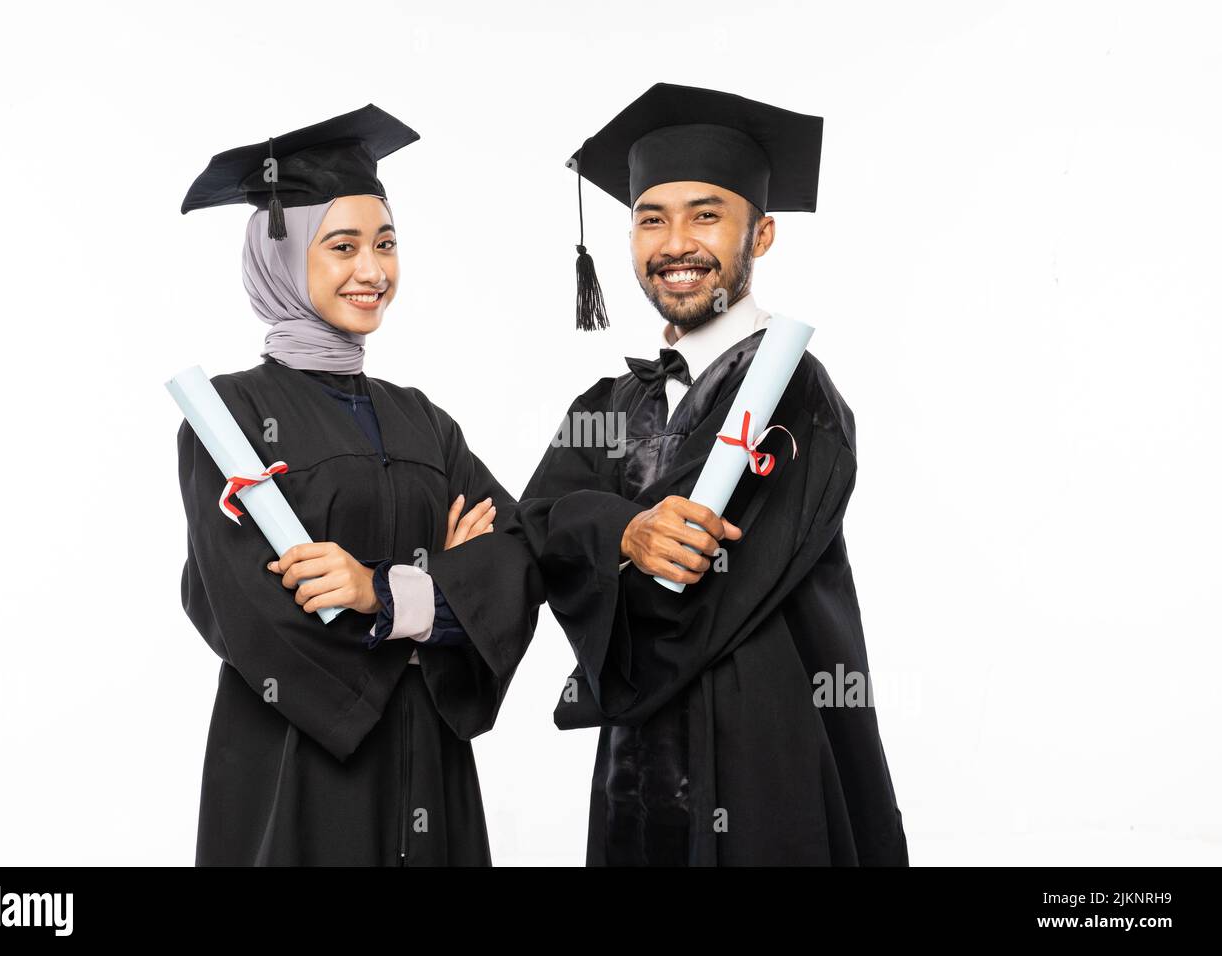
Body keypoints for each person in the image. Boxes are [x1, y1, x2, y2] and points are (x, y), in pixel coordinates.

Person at [515, 83, 909, 865]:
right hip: (634, 775)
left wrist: (598, 538)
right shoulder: (612, 401)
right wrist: (624, 529)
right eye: (651, 218)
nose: (675, 243)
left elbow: (691, 601)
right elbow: (531, 532)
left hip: (771, 768)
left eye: (705, 214)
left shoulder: (796, 396)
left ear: (759, 235)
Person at [175, 105, 541, 865]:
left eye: (386, 244)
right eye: (342, 246)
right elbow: (245, 608)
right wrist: (438, 598)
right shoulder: (227, 417)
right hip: (297, 763)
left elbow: (513, 560)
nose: (372, 271)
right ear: (282, 259)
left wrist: (380, 593)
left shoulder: (424, 423)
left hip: (431, 759)